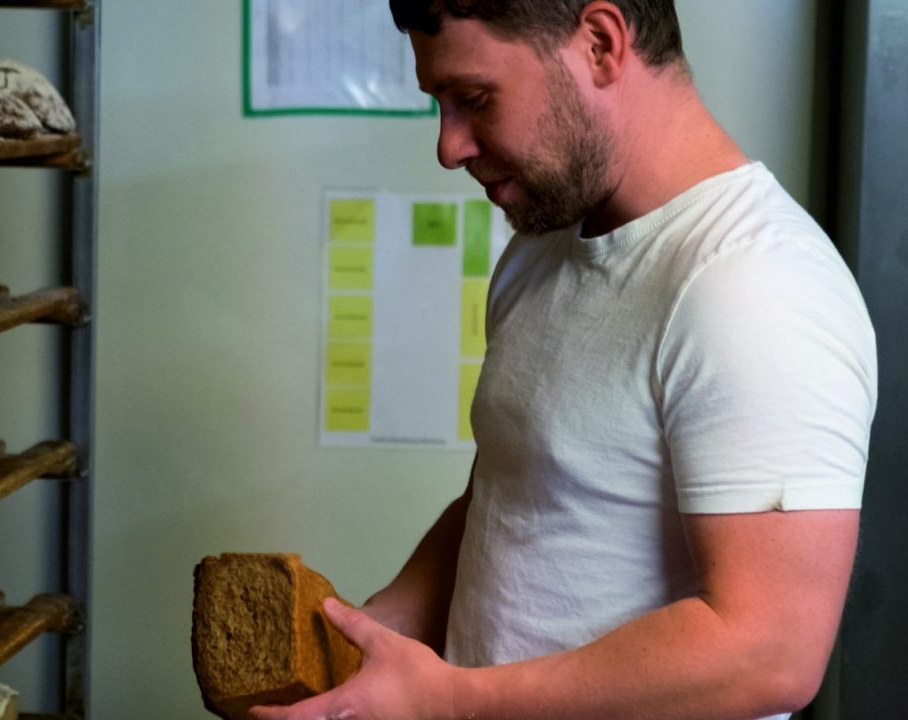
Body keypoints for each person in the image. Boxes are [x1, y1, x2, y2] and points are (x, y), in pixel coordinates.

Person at [251, 1, 878, 719]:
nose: (449, 146)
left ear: (602, 44)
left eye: (474, 99)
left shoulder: (754, 284)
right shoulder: (542, 250)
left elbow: (766, 654)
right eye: (441, 104)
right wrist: (375, 634)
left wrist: (451, 702)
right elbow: (509, 495)